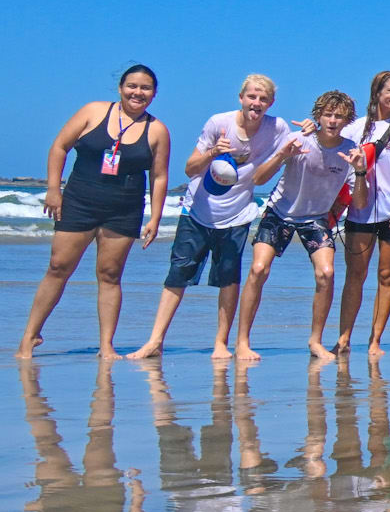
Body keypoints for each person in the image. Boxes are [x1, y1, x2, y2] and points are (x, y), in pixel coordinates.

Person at [126, 73, 291, 361]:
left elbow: (278, 163)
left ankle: (220, 344)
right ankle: (154, 341)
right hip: (198, 211)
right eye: (251, 96)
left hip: (238, 214)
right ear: (241, 98)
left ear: (271, 103)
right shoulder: (219, 123)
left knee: (228, 280)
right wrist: (213, 152)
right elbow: (190, 169)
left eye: (263, 99)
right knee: (178, 275)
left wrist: (309, 132)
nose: (256, 102)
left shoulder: (277, 128)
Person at [18, 66, 171, 360]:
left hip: (124, 210)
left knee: (110, 275)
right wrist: (53, 189)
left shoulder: (157, 130)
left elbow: (160, 176)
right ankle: (29, 337)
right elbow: (60, 146)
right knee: (58, 267)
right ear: (120, 88)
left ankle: (106, 346)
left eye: (146, 88)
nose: (138, 92)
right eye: (132, 86)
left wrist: (155, 217)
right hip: (79, 202)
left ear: (154, 93)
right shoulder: (93, 111)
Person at [236, 91, 362, 363]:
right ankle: (242, 341)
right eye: (327, 114)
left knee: (326, 273)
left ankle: (315, 341)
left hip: (315, 218)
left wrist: (360, 171)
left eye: (339, 116)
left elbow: (359, 200)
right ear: (318, 116)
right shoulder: (298, 139)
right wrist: (283, 154)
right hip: (280, 212)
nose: (332, 120)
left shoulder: (350, 149)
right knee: (258, 269)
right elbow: (258, 179)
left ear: (347, 120)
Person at [336, 70, 390, 359]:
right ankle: (344, 337)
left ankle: (375, 340)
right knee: (355, 276)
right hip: (359, 211)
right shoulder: (355, 128)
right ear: (377, 94)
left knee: (387, 276)